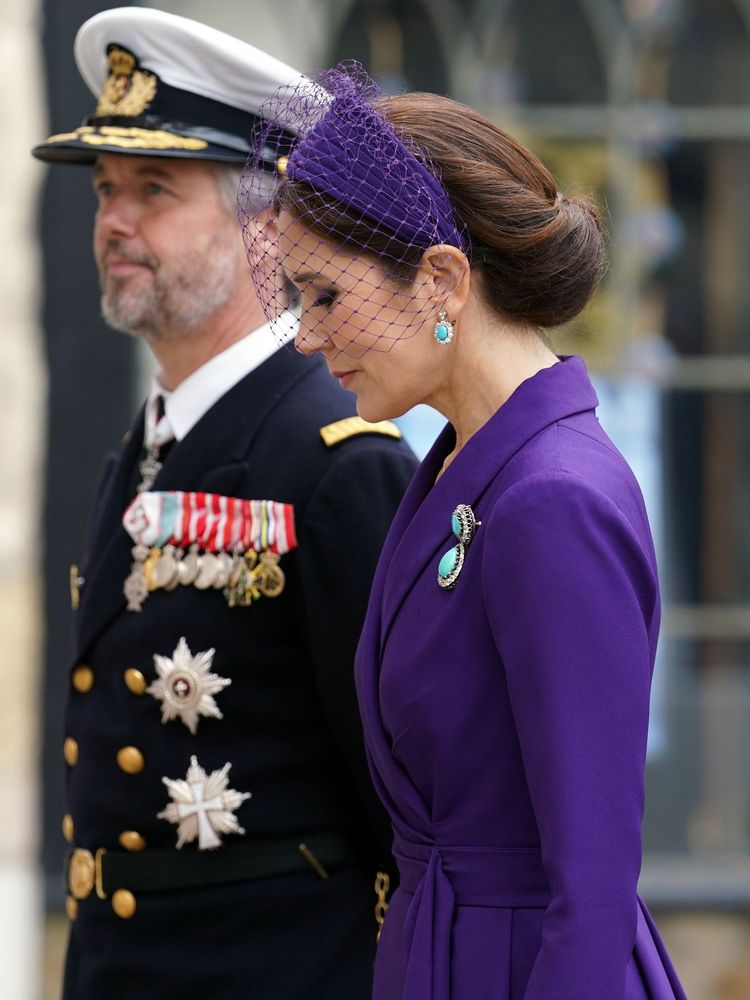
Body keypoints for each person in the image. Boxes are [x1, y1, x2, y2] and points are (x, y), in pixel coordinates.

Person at [241, 65, 688, 999]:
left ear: (442, 279)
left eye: (326, 295)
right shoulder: (461, 464)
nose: (307, 335)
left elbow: (593, 888)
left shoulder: (552, 498)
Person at [33, 13, 417, 1000]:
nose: (114, 222)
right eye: (106, 190)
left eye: (155, 190)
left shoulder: (337, 461)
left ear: (266, 224)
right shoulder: (152, 442)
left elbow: (409, 813)